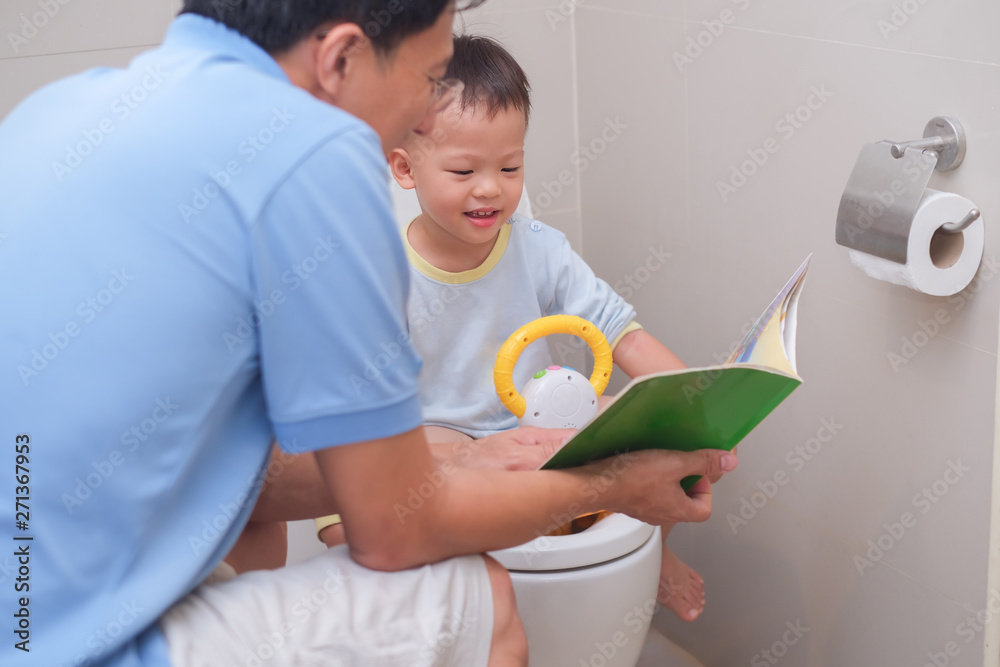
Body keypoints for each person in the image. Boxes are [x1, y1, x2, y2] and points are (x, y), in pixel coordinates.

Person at [0, 1, 735, 665]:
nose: (424, 107)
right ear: (341, 58)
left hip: (23, 609)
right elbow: (395, 534)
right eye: (431, 77)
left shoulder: (57, 113)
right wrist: (610, 483)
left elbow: (228, 459)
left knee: (258, 530)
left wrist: (459, 459)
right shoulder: (312, 160)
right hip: (71, 643)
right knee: (480, 597)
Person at [316, 34, 713, 623]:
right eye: (463, 170)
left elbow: (621, 333)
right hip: (434, 438)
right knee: (351, 523)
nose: (490, 188)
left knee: (653, 434)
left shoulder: (538, 248)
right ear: (404, 167)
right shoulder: (381, 275)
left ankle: (657, 555)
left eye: (510, 167)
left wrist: (695, 406)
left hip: (535, 423)